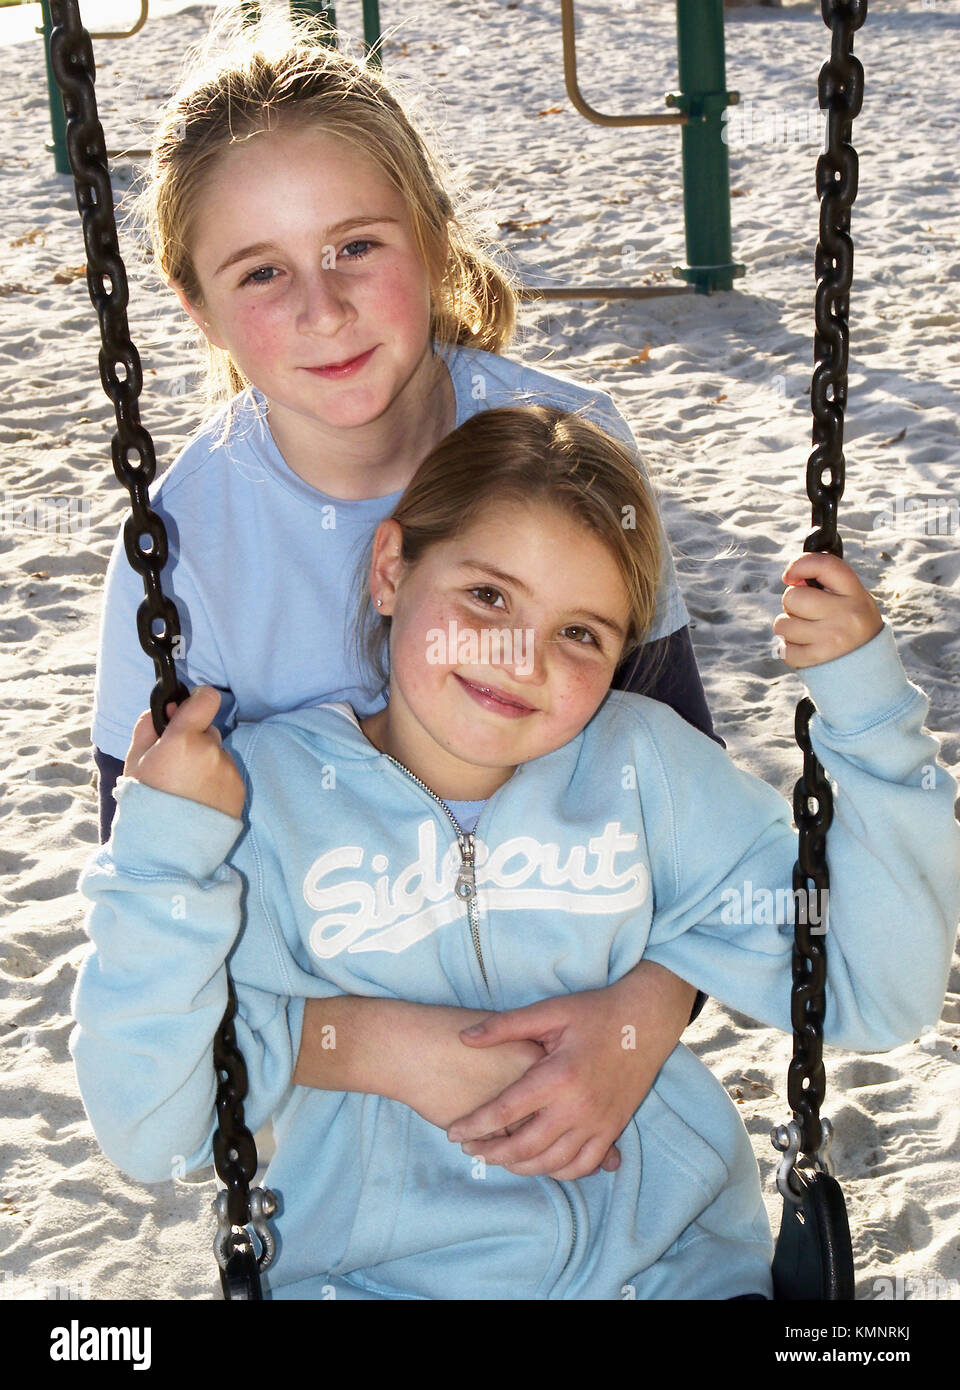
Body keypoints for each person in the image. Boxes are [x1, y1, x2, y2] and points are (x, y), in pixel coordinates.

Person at [72, 405, 960, 1301]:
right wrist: (166, 854)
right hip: (371, 1282)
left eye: (580, 633)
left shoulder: (647, 771)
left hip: (667, 1274)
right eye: (488, 596)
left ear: (620, 655)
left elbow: (871, 991)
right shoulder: (262, 802)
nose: (520, 657)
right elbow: (154, 1127)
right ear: (391, 569)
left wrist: (872, 723)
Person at [89, 9, 717, 1157]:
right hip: (337, 1129)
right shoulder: (177, 546)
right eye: (263, 270)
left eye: (356, 248)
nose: (320, 308)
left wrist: (638, 1022)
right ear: (196, 305)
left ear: (428, 238)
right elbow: (162, 912)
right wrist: (371, 1044)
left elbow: (698, 818)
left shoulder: (575, 444)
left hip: (588, 1072)